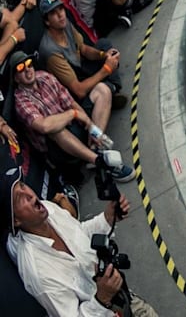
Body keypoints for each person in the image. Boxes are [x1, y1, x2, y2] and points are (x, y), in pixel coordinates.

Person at [8, 176, 159, 317]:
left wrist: (107, 218)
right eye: (19, 198)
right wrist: (102, 298)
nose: (30, 195)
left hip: (122, 299)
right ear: (15, 221)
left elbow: (78, 233)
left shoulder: (48, 209)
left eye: (23, 185)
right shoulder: (39, 273)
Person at [7, 48, 133, 182]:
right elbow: (44, 126)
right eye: (21, 68)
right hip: (58, 147)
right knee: (55, 129)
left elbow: (71, 103)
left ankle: (96, 147)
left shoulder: (44, 76)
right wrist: (73, 114)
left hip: (73, 126)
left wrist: (91, 127)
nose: (27, 70)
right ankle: (99, 161)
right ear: (16, 78)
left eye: (29, 64)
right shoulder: (20, 100)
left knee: (102, 90)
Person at [36, 0, 125, 120]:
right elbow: (78, 90)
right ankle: (108, 92)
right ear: (47, 21)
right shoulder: (50, 51)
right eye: (53, 13)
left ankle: (112, 89)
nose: (60, 15)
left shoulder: (64, 24)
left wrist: (103, 55)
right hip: (73, 94)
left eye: (60, 9)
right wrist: (106, 69)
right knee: (102, 83)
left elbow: (83, 49)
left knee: (104, 45)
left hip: (80, 67)